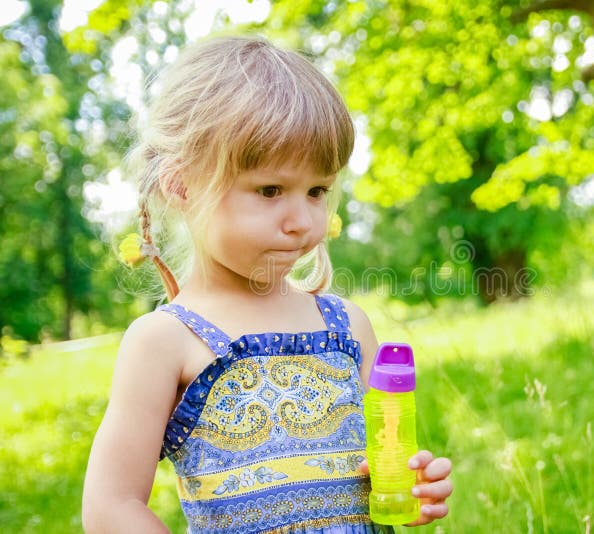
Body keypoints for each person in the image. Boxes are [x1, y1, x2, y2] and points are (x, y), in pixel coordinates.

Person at [82, 35, 453, 533]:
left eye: (317, 190)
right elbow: (111, 506)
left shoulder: (348, 326)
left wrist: (409, 485)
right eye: (270, 190)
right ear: (182, 184)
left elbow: (383, 462)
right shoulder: (165, 340)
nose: (302, 220)